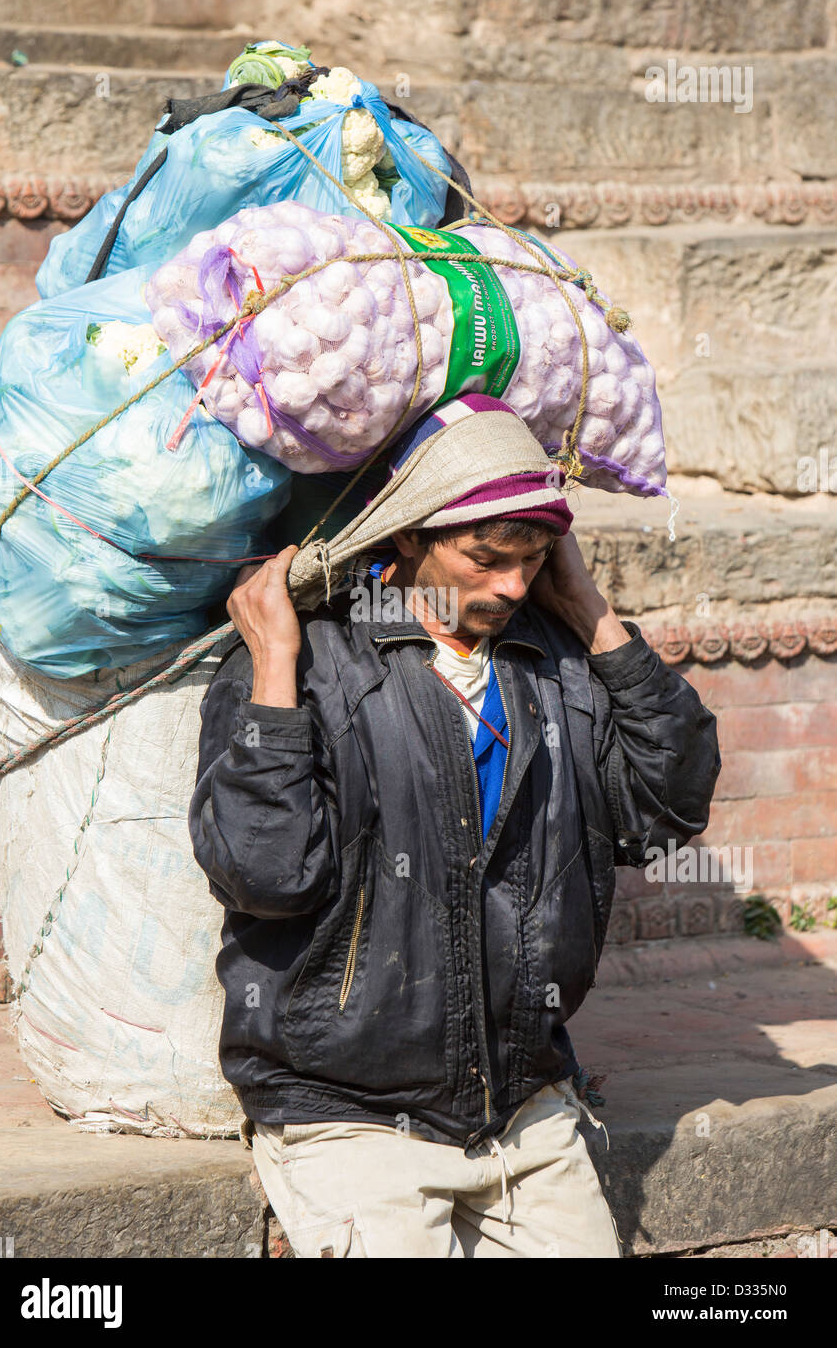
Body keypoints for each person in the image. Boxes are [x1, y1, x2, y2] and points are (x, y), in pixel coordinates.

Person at [189, 394, 721, 1258]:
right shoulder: (312, 663)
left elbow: (667, 810)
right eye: (485, 557)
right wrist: (275, 667)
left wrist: (589, 608)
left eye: (535, 558)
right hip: (350, 1121)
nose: (512, 584)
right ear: (407, 534)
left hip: (523, 1110)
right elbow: (266, 873)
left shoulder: (555, 665)